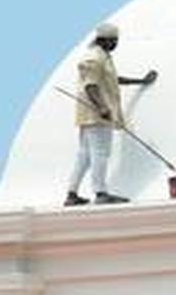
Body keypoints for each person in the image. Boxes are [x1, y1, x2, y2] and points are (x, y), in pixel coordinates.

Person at [64, 22, 159, 207]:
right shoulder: (93, 58)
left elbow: (113, 80)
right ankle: (100, 192)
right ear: (106, 40)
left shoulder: (103, 57)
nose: (115, 44)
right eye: (114, 41)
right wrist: (102, 107)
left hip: (92, 115)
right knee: (101, 152)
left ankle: (72, 194)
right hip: (96, 115)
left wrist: (140, 81)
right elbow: (90, 85)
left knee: (84, 155)